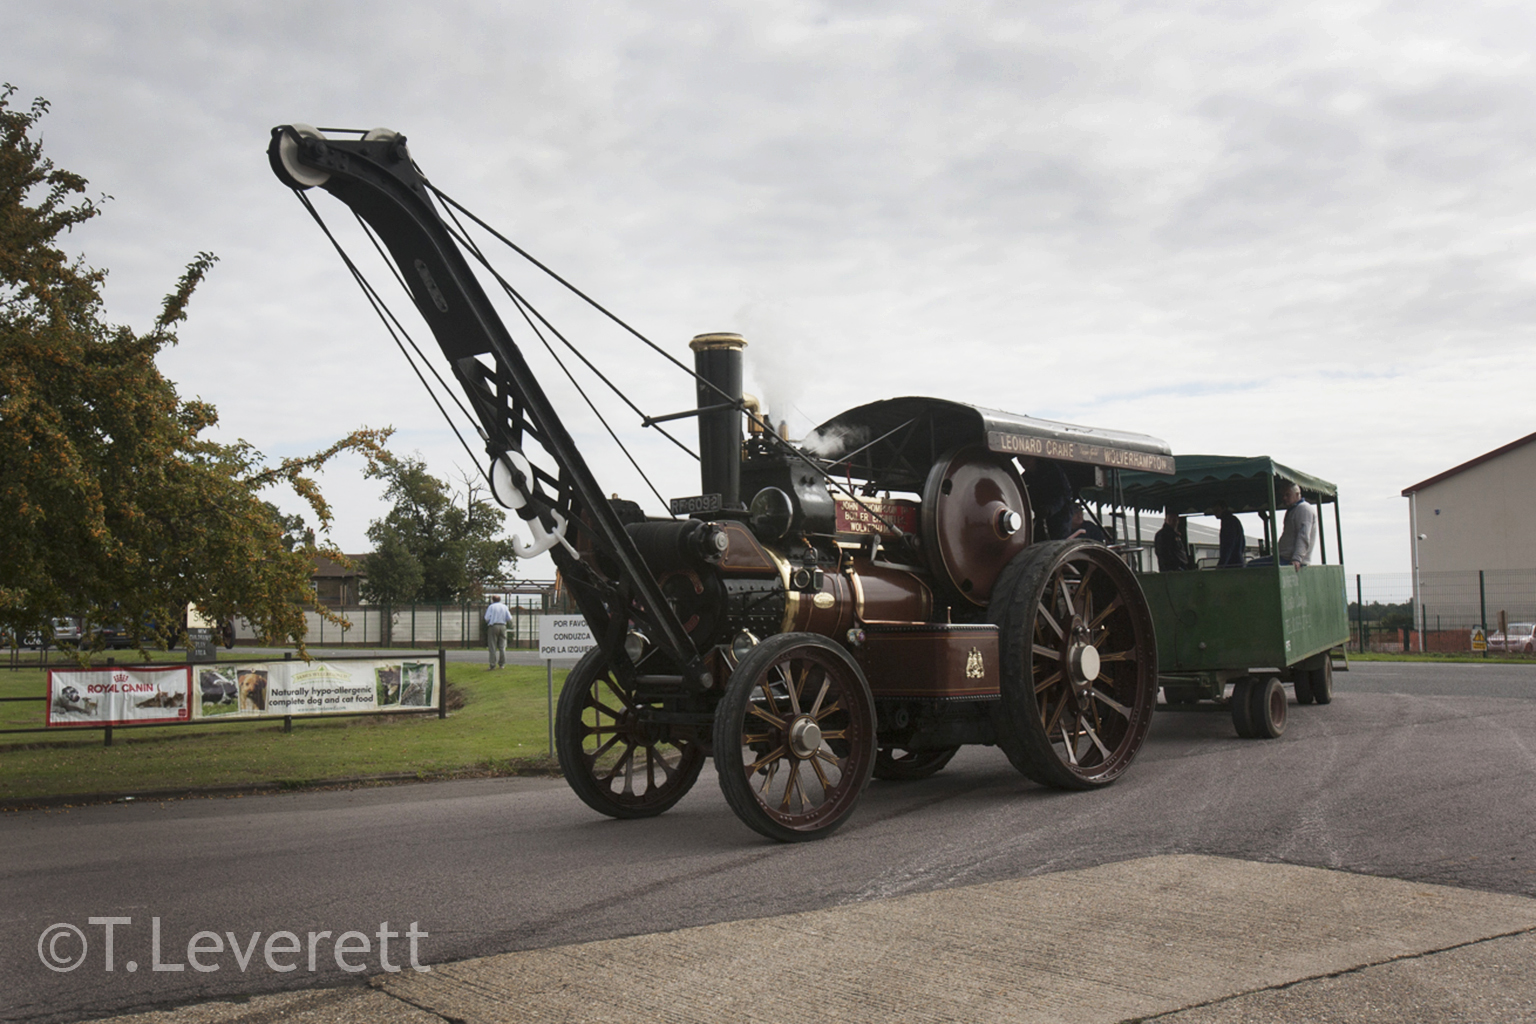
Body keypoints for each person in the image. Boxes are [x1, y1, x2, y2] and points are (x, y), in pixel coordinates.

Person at [1275, 481, 1317, 568]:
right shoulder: (1293, 509)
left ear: (1297, 494)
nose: (1284, 498)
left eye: (1287, 495)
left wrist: (1297, 559)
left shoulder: (1303, 509)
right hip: (1284, 558)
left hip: (1290, 560)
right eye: (1283, 495)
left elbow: (1303, 535)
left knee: (1253, 566)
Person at [1210, 500, 1245, 568]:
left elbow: (1228, 545)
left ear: (1223, 508)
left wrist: (1221, 565)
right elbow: (1242, 543)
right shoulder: (1234, 520)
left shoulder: (1228, 522)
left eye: (1217, 510)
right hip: (1238, 561)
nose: (1215, 513)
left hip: (1231, 563)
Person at [484, 595, 512, 670]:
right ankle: (502, 664)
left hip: (493, 626)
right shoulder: (504, 607)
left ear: (493, 600)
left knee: (492, 646)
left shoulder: (491, 607)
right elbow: (509, 618)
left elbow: (486, 618)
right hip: (503, 626)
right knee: (502, 646)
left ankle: (492, 664)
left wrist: (489, 621)